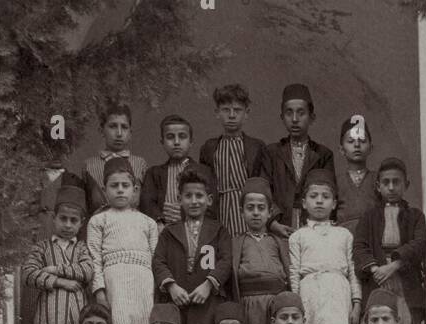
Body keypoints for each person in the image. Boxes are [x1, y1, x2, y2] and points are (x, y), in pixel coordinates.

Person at [353, 157, 426, 324]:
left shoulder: (415, 216)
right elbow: (360, 246)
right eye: (386, 182)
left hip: (403, 280)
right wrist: (374, 269)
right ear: (378, 186)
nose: (392, 187)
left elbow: (419, 244)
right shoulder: (369, 216)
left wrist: (394, 265)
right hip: (377, 280)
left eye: (397, 182)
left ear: (406, 184)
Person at [152, 165, 232, 324]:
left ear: (209, 200)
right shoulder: (169, 232)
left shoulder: (219, 230)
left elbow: (226, 260)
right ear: (179, 199)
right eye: (188, 196)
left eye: (199, 196)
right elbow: (158, 261)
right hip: (178, 300)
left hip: (207, 302)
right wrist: (172, 286)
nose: (194, 201)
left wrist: (208, 285)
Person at [86, 158, 159, 324]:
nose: (120, 190)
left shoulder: (148, 222)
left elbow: (156, 259)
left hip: (143, 281)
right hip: (115, 281)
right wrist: (99, 291)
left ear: (135, 189)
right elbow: (94, 257)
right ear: (104, 189)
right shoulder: (98, 220)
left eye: (125, 185)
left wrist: (156, 289)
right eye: (114, 185)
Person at [289, 172, 361, 324]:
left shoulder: (344, 235)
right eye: (313, 196)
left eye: (326, 197)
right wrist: (296, 304)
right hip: (309, 293)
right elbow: (294, 273)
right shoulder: (298, 236)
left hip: (338, 293)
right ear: (304, 203)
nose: (319, 201)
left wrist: (357, 302)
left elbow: (353, 271)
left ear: (334, 203)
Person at [22, 185, 92, 324]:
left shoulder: (82, 248)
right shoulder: (42, 247)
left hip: (76, 309)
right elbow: (28, 273)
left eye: (73, 220)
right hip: (48, 309)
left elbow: (87, 270)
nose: (68, 225)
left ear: (81, 223)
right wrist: (60, 282)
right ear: (54, 218)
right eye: (63, 218)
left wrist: (55, 269)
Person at [200, 84, 270, 238]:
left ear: (246, 113)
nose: (231, 115)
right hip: (219, 209)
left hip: (248, 208)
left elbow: (264, 185)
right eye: (226, 110)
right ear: (217, 113)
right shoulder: (209, 148)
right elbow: (205, 185)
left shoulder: (257, 146)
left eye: (237, 110)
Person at [268, 83, 336, 236]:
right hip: (278, 228)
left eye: (301, 113)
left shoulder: (323, 155)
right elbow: (264, 193)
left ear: (312, 117)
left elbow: (329, 193)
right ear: (282, 117)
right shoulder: (271, 153)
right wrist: (273, 223)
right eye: (289, 113)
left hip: (314, 228)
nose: (294, 119)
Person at [230, 178, 291, 324]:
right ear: (241, 212)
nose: (256, 213)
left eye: (261, 208)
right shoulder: (235, 243)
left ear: (270, 212)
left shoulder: (279, 242)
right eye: (250, 208)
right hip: (248, 305)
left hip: (276, 305)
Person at [80, 105, 148, 217]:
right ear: (101, 131)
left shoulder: (140, 164)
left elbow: (145, 204)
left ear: (130, 133)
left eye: (124, 127)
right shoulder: (89, 165)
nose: (119, 133)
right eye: (113, 126)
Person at [139, 114, 194, 227]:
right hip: (164, 230)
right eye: (170, 137)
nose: (176, 142)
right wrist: (159, 221)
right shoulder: (154, 173)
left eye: (182, 136)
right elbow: (147, 202)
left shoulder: (203, 172)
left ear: (191, 142)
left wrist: (184, 213)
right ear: (162, 142)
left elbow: (210, 206)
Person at [334, 113, 376, 236]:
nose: (357, 145)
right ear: (342, 149)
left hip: (372, 237)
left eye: (362, 141)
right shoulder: (335, 182)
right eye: (351, 141)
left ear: (371, 148)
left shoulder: (378, 179)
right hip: (342, 238)